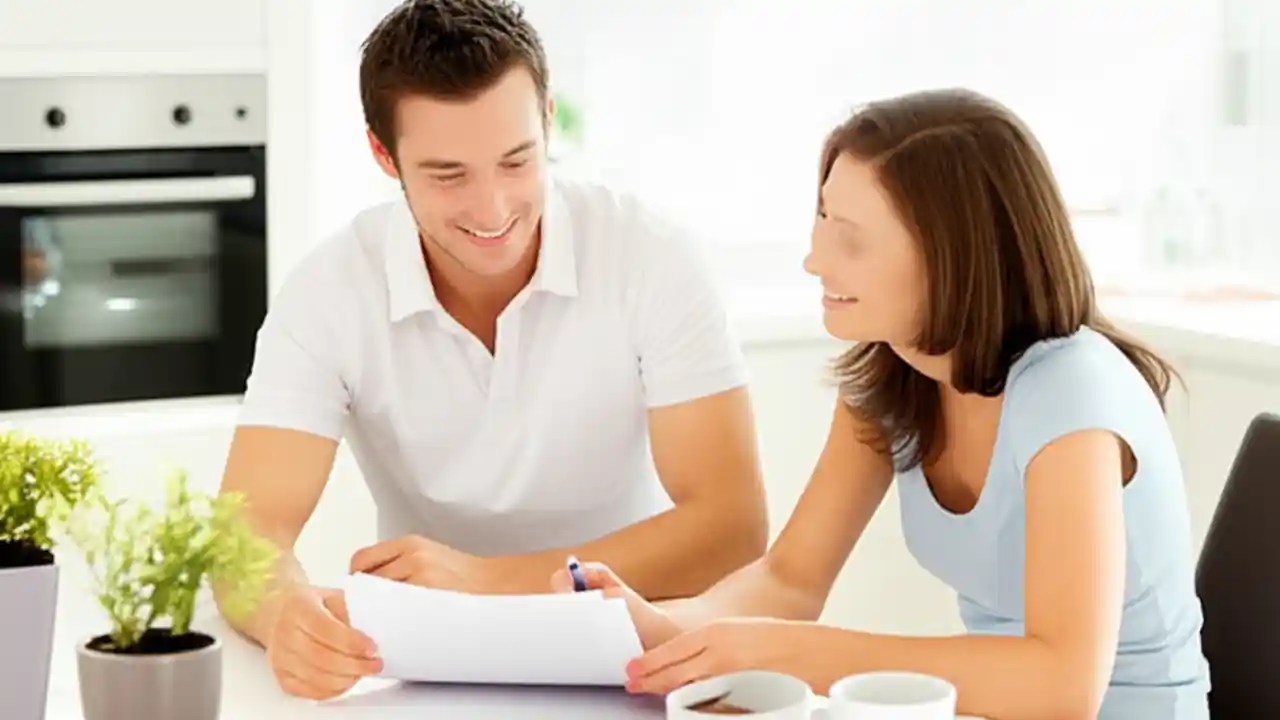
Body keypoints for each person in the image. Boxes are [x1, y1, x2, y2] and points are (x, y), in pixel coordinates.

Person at [556, 88, 1211, 719]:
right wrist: (663, 626)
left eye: (851, 238)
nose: (815, 260)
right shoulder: (895, 379)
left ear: (954, 257)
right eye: (821, 220)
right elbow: (789, 580)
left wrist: (789, 653)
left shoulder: (1073, 394)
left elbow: (1061, 687)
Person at [214, 0, 768, 701]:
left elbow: (733, 525)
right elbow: (245, 534)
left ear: (547, 120)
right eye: (449, 174)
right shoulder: (330, 288)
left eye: (517, 161)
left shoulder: (648, 255)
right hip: (431, 669)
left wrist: (488, 582)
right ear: (384, 157)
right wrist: (284, 615)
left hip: (639, 646)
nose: (493, 208)